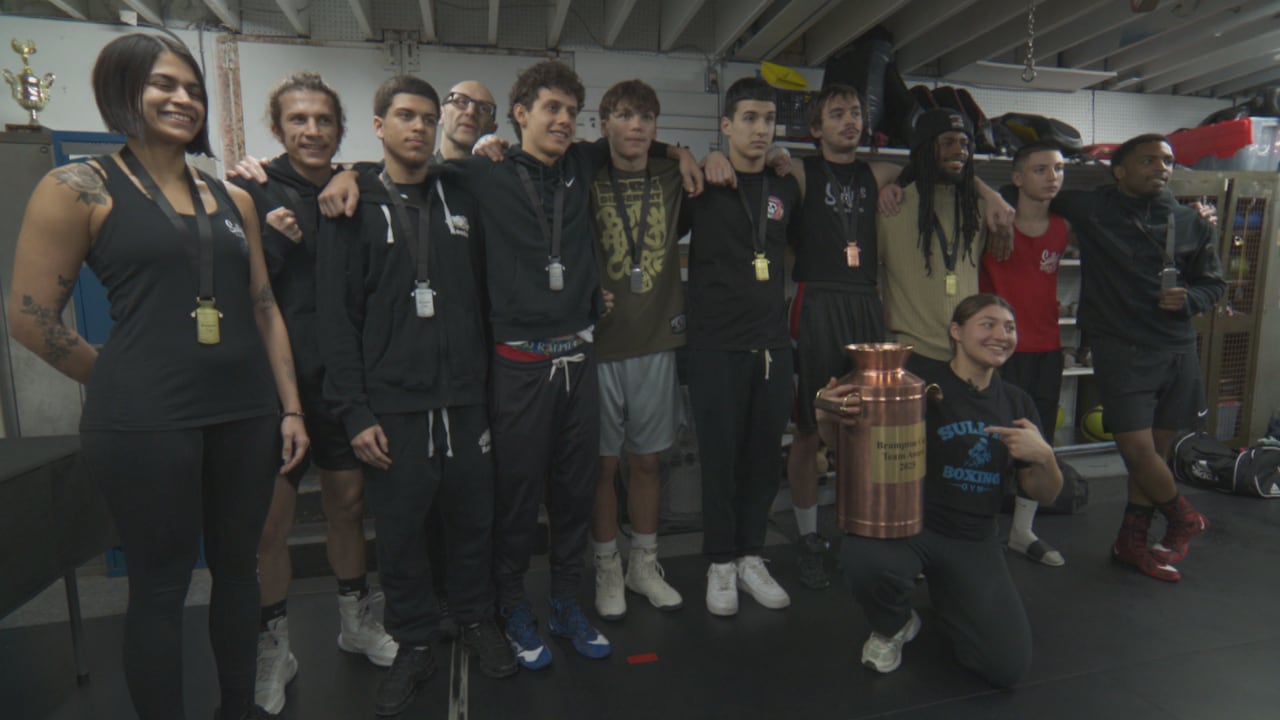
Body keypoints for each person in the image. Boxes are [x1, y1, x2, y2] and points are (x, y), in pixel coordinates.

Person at [7, 33, 308, 720]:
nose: (183, 99)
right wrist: (118, 378)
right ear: (123, 92)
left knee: (239, 574)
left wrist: (290, 407)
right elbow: (29, 317)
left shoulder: (235, 197)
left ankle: (238, 708)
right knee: (161, 586)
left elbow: (263, 306)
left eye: (193, 88)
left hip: (245, 413)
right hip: (145, 422)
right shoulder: (78, 187)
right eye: (163, 85)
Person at [315, 75, 516, 716]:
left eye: (428, 118)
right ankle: (414, 641)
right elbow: (335, 320)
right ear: (378, 126)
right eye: (404, 116)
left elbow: (487, 299)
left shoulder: (462, 196)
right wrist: (354, 412)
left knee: (472, 522)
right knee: (400, 535)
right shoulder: (349, 206)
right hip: (392, 407)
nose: (418, 127)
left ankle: (479, 618)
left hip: (463, 399)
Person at [227, 72, 397, 716]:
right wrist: (271, 240)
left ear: (339, 129)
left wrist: (353, 173)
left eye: (323, 120)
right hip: (273, 383)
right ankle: (276, 646)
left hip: (339, 378)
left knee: (347, 505)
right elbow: (232, 282)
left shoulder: (353, 184)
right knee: (271, 524)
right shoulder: (248, 187)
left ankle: (354, 621)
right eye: (298, 120)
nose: (312, 130)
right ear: (277, 128)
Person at [825, 294, 1062, 687]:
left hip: (974, 540)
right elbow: (843, 442)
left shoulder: (1017, 402)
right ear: (956, 331)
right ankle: (894, 625)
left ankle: (952, 598)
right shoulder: (919, 383)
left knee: (1006, 668)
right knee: (862, 557)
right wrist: (827, 412)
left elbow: (1046, 493)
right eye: (987, 324)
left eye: (1009, 327)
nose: (1001, 335)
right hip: (914, 530)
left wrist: (1045, 457)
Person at [1048, 134, 1224, 582]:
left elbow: (1214, 285)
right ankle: (1183, 516)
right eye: (1147, 160)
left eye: (1166, 160)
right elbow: (1023, 189)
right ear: (1119, 170)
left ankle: (1131, 541)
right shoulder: (1092, 209)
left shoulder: (1191, 222)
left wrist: (1189, 299)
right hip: (1120, 347)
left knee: (1157, 451)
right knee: (1136, 449)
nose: (1160, 167)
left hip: (1177, 347)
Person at [682, 76, 800, 617]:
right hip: (714, 344)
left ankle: (753, 554)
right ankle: (720, 561)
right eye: (748, 118)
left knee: (760, 459)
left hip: (772, 345)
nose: (759, 128)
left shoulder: (784, 188)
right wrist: (700, 157)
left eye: (768, 120)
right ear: (726, 126)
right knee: (720, 459)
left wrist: (786, 157)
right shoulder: (702, 185)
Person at [587, 79, 687, 621]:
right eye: (624, 115)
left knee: (648, 460)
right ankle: (606, 565)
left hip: (655, 339)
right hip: (598, 344)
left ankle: (643, 563)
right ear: (604, 123)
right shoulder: (584, 174)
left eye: (646, 117)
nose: (636, 126)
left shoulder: (673, 175)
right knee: (602, 465)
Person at [979, 141, 1070, 568]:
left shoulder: (1064, 228)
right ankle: (978, 535)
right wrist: (988, 195)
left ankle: (1022, 531)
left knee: (1037, 441)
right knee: (987, 442)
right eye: (1040, 169)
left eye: (1058, 169)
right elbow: (960, 182)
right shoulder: (991, 222)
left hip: (1047, 349)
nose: (1052, 176)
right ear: (1017, 178)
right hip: (997, 350)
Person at [877, 108, 1014, 380]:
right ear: (926, 149)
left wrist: (990, 196)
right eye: (948, 142)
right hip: (913, 355)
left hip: (970, 353)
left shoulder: (978, 210)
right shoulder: (892, 207)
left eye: (965, 143)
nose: (959, 151)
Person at [434, 80, 499, 163]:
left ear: (493, 129)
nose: (471, 112)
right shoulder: (416, 172)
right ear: (440, 114)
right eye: (461, 101)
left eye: (484, 108)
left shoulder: (507, 173)